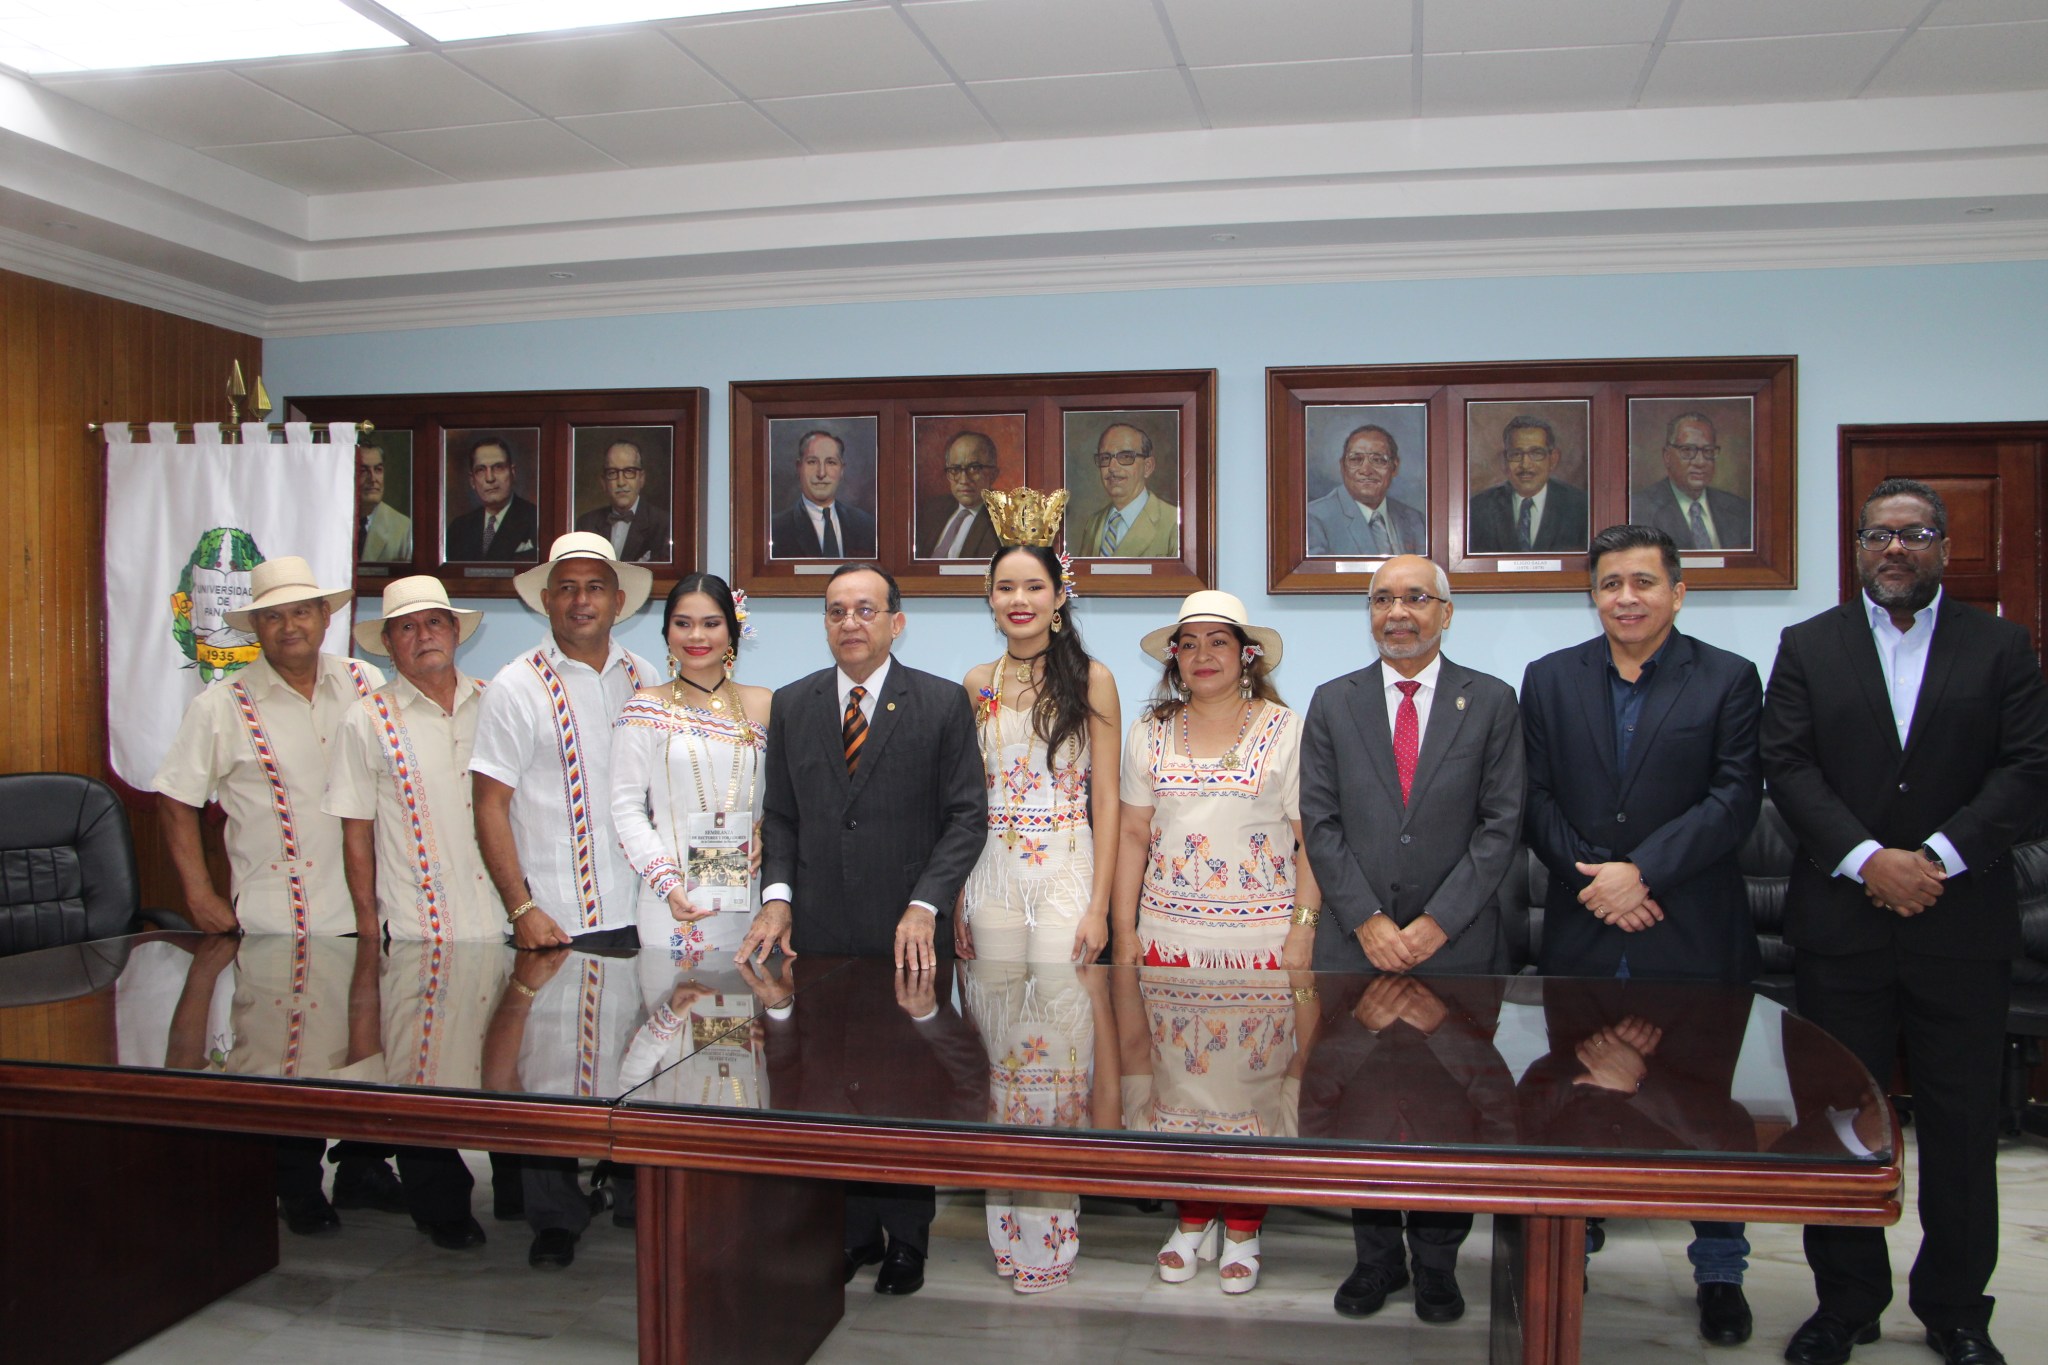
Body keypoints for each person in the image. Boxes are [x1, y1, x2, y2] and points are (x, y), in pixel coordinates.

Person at [1762, 478, 2048, 1365]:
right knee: (1838, 1124)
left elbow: (2029, 767)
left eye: (1915, 534)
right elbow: (1788, 763)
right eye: (1879, 535)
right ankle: (1846, 1302)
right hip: (1842, 923)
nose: (1896, 549)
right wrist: (1867, 859)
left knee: (1962, 1128)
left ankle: (1958, 1308)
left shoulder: (2000, 645)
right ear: (1854, 547)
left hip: (1959, 923)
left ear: (1943, 545)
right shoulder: (1809, 645)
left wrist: (1935, 858)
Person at [1519, 523, 1765, 1347]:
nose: (1626, 597)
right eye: (1610, 583)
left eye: (1644, 582)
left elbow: (1733, 798)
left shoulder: (1730, 679)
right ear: (1592, 594)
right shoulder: (1549, 680)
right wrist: (1601, 881)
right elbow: (1534, 797)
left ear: (1678, 592)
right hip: (1585, 934)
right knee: (1576, 1103)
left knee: (1706, 1115)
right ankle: (1569, 1250)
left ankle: (1720, 1268)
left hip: (1690, 931)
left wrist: (1642, 874)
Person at [737, 562, 986, 1297]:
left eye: (866, 609)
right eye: (837, 610)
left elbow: (967, 815)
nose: (851, 622)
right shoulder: (793, 702)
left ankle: (907, 1240)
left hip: (907, 932)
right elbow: (779, 813)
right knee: (824, 1085)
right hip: (816, 931)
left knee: (905, 1089)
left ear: (895, 622)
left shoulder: (941, 704)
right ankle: (847, 1233)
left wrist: (927, 902)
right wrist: (777, 896)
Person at [1298, 553, 1523, 1325]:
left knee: (1447, 1108)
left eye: (1416, 598)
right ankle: (1375, 1261)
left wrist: (1433, 924)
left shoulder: (1491, 701)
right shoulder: (1333, 702)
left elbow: (1502, 827)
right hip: (1353, 945)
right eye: (1383, 598)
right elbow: (1320, 825)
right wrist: (1367, 920)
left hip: (1456, 950)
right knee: (1356, 1103)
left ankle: (1436, 1262)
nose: (1399, 611)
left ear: (1445, 612)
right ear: (1369, 613)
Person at [152, 554, 401, 1234]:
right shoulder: (221, 705)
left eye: (301, 610)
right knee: (282, 1059)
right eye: (273, 615)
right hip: (278, 918)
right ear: (255, 626)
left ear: (326, 616)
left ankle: (362, 1170)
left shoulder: (364, 680)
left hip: (368, 912)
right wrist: (201, 895)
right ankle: (295, 1185)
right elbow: (174, 801)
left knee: (367, 1049)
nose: (289, 625)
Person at [1114, 590, 1320, 1294]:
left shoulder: (1286, 729)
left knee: (1254, 1093)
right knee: (1179, 1094)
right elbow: (1133, 835)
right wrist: (1123, 932)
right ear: (1175, 658)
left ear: (1246, 656)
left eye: (1218, 642)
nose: (1202, 655)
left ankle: (1243, 1224)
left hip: (1261, 945)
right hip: (1168, 939)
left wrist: (1301, 933)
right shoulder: (1147, 730)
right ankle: (1192, 1215)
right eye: (1189, 643)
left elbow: (1307, 838)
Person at [469, 531, 658, 1270]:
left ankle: (635, 1194)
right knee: (548, 1072)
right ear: (547, 600)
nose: (582, 600)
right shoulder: (515, 684)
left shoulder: (647, 677)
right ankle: (553, 1214)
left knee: (638, 1061)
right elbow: (489, 804)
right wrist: (521, 908)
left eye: (595, 586)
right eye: (567, 587)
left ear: (618, 599)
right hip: (556, 919)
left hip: (638, 915)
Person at [953, 489, 1122, 1294]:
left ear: (1060, 597)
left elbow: (1113, 803)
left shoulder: (1093, 679)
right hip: (991, 871)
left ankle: (1053, 1222)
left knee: (1063, 1050)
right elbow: (959, 799)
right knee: (997, 1050)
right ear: (990, 600)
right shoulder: (975, 682)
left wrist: (1099, 907)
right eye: (1004, 588)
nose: (1017, 600)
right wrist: (951, 891)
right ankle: (1004, 1220)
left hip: (1067, 867)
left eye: (1032, 587)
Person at [323, 575, 499, 1252]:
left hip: (504, 921)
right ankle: (441, 1205)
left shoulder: (497, 704)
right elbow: (356, 830)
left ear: (456, 632)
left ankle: (515, 1192)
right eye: (406, 626)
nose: (423, 635)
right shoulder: (366, 720)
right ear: (389, 642)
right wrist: (371, 931)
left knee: (503, 1068)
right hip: (419, 926)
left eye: (434, 622)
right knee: (419, 1074)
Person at [612, 572, 772, 966]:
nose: (696, 636)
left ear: (733, 631)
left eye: (711, 623)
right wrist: (667, 884)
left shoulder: (765, 703)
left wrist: (768, 836)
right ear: (667, 632)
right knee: (677, 1015)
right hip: (672, 898)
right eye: (683, 623)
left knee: (742, 1014)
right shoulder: (644, 708)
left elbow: (786, 797)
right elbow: (625, 806)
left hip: (748, 893)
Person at [1629, 412, 1753, 551]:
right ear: (1667, 456)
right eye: (1687, 450)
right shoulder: (1638, 510)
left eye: (1708, 450)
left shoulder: (1740, 510)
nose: (1700, 462)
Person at [1467, 414, 1589, 554]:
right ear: (1505, 461)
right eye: (1516, 454)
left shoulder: (1581, 507)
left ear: (1553, 459)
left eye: (1536, 453)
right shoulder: (1477, 510)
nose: (1525, 465)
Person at [1306, 424, 1427, 557]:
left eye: (1378, 460)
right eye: (1356, 459)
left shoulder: (1416, 521)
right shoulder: (1312, 519)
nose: (1366, 470)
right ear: (1342, 466)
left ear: (1395, 467)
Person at [1075, 422, 1178, 557]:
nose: (1112, 467)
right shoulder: (1093, 523)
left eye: (1125, 457)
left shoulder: (1174, 522)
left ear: (1148, 467)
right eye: (1105, 458)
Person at [769, 430, 877, 558]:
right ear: (799, 467)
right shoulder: (774, 530)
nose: (821, 473)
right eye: (812, 462)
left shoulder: (867, 526)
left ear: (842, 470)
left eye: (830, 462)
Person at [574, 439, 671, 563]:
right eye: (612, 473)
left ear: (641, 478)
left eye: (629, 471)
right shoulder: (586, 524)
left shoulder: (663, 524)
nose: (621, 482)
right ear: (603, 482)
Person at [444, 437, 539, 561]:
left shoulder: (536, 520)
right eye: (481, 470)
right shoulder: (458, 528)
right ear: (472, 481)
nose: (490, 478)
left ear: (513, 473)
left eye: (498, 467)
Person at [916, 431, 1002, 559]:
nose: (963, 479)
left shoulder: (1003, 521)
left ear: (993, 474)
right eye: (955, 469)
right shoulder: (932, 510)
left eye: (974, 468)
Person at [357, 444, 413, 561]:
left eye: (378, 470)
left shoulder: (403, 528)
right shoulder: (331, 523)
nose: (373, 479)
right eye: (363, 471)